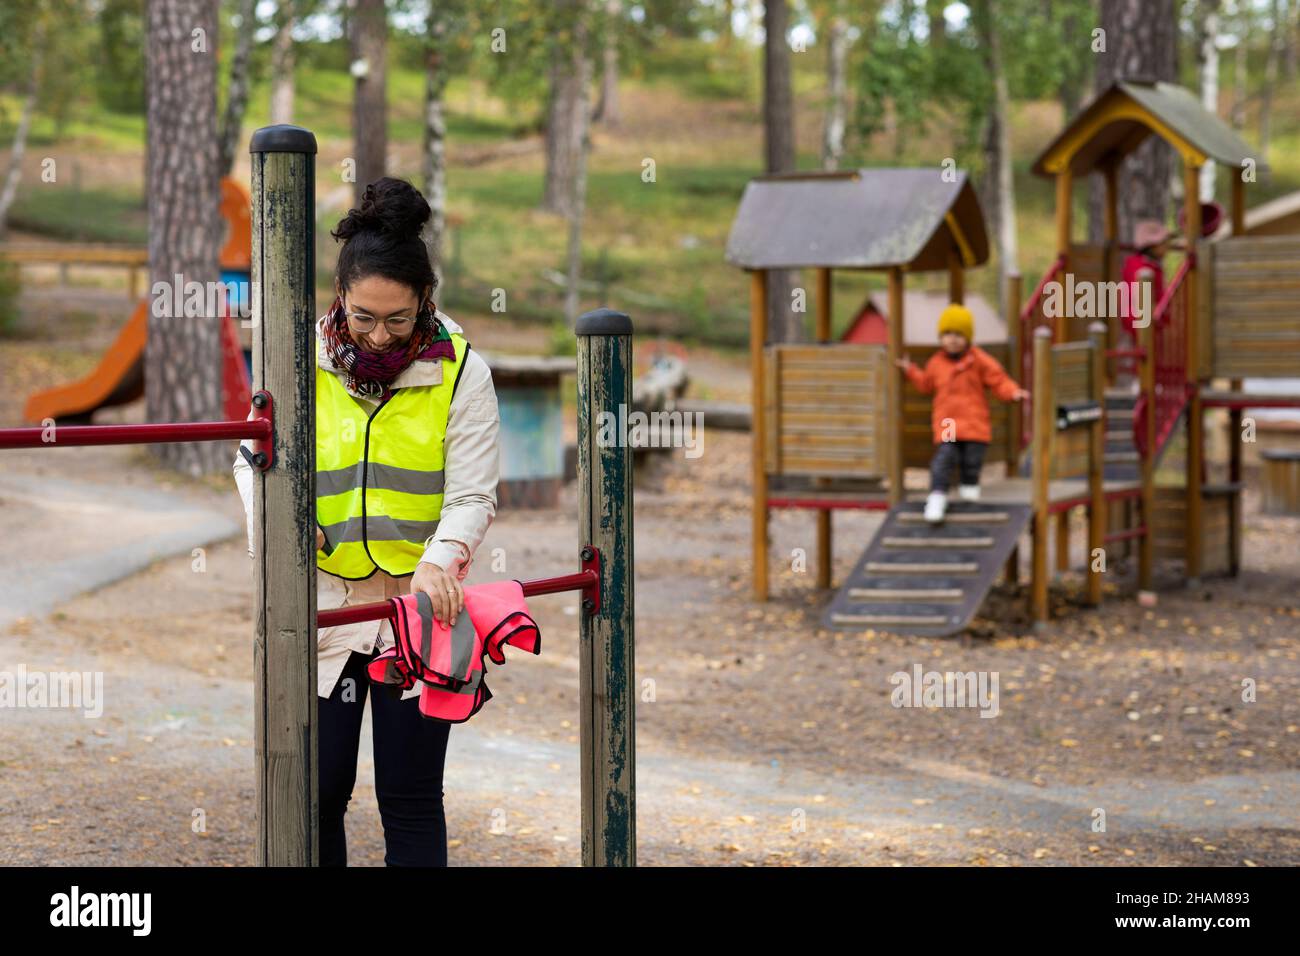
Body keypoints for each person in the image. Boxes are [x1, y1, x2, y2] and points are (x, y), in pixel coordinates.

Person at [232, 177, 501, 866]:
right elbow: (249, 463)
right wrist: (286, 538)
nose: (380, 336)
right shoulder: (296, 362)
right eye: (363, 317)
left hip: (416, 611)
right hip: (322, 606)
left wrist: (442, 557)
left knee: (410, 798)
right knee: (317, 793)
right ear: (339, 298)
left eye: (399, 320)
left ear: (425, 304)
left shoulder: (462, 372)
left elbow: (472, 494)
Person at [895, 303, 1029, 524]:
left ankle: (969, 495)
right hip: (948, 423)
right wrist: (910, 370)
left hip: (974, 423)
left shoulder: (979, 360)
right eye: (947, 334)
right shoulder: (937, 363)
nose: (952, 339)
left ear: (967, 338)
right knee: (945, 456)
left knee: (972, 461)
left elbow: (998, 380)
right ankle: (937, 496)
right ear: (941, 337)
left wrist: (1013, 392)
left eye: (958, 334)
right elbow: (925, 384)